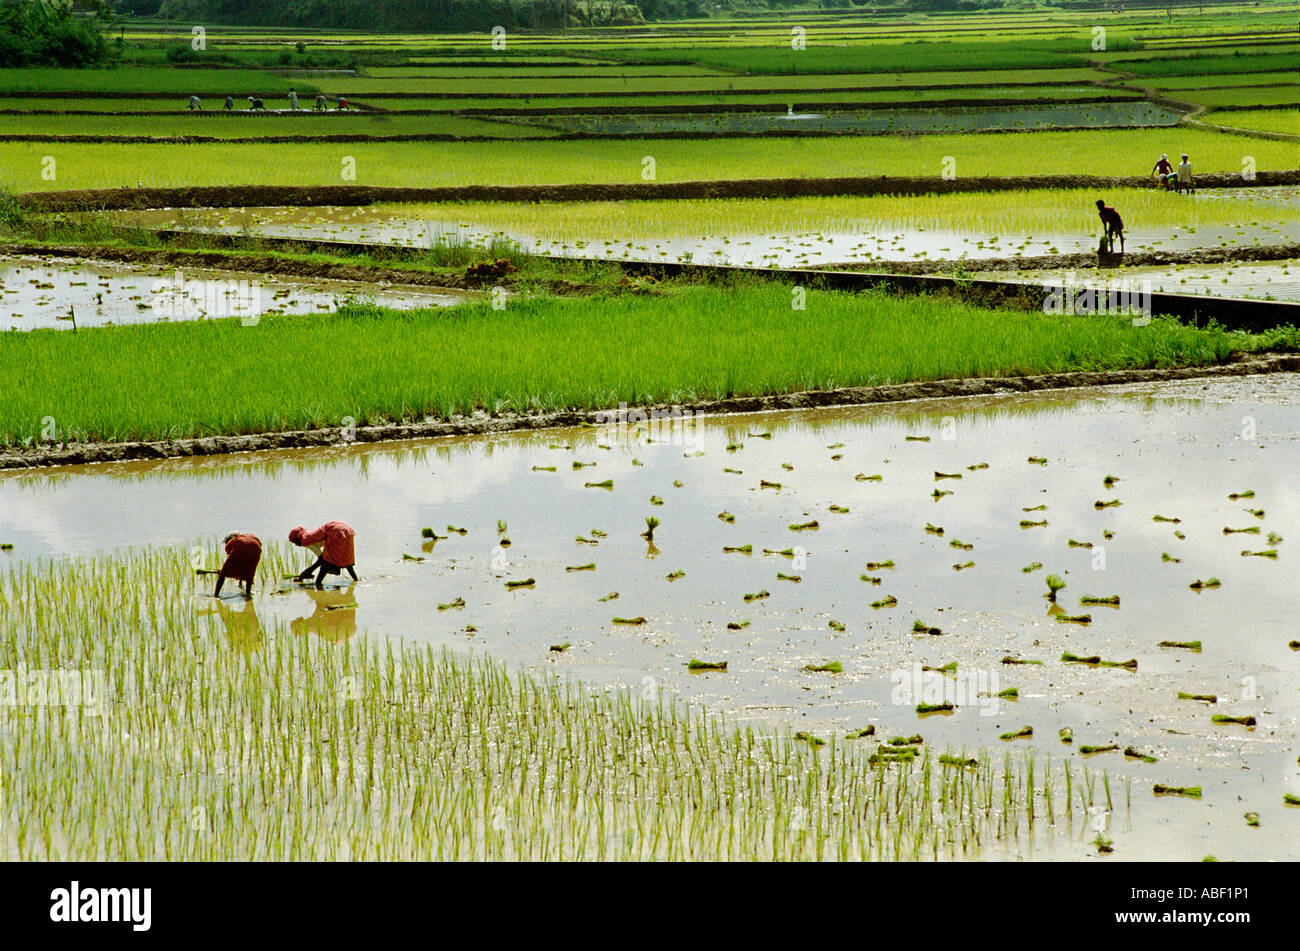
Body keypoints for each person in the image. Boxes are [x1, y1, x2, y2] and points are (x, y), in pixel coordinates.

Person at [289, 520, 358, 584]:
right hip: (347, 530)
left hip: (335, 532)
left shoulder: (305, 540)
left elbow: (321, 559)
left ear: (298, 538)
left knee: (326, 564)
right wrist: (308, 571)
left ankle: (318, 584)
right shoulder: (310, 535)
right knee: (346, 557)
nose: (296, 545)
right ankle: (356, 580)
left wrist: (306, 572)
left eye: (295, 542)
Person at [213, 532, 262, 598]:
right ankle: (248, 593)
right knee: (250, 571)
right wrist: (240, 579)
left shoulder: (233, 540)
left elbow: (232, 559)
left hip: (242, 546)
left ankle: (216, 595)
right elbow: (259, 544)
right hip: (256, 549)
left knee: (223, 574)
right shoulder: (248, 536)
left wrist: (225, 571)